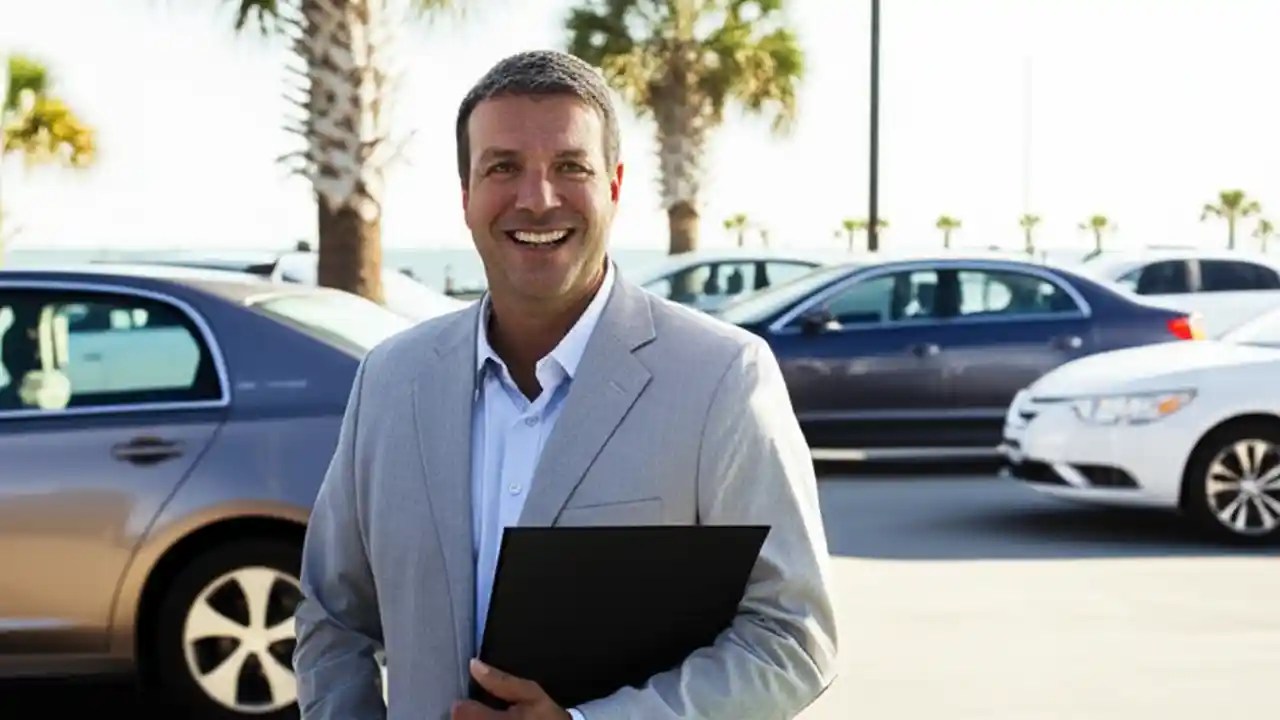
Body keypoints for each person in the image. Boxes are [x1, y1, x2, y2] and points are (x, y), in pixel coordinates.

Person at [292, 49, 838, 720]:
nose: (537, 198)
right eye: (503, 167)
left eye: (570, 167)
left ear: (614, 186)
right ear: (465, 196)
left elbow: (791, 636)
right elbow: (333, 616)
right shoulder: (389, 380)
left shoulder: (723, 377)